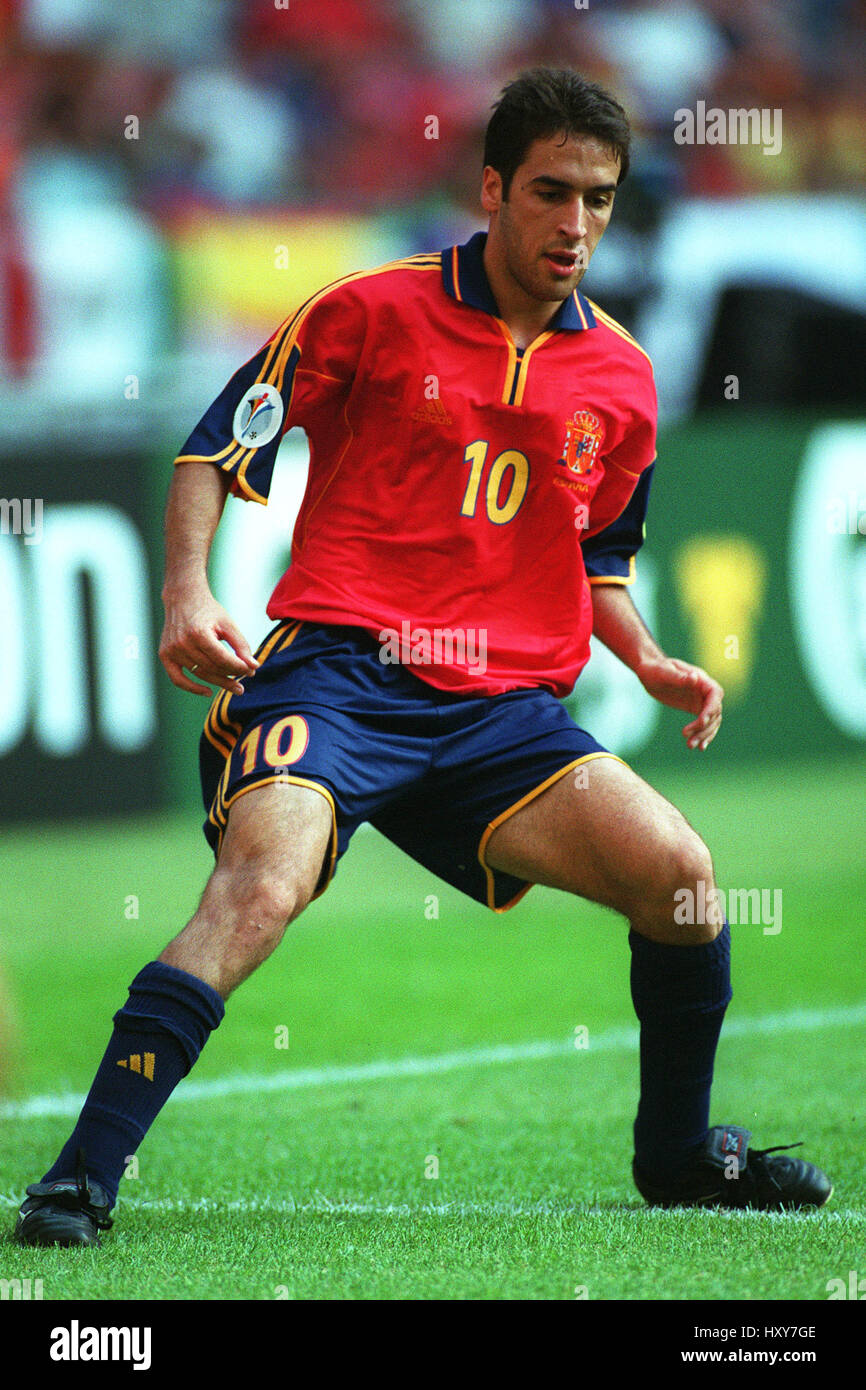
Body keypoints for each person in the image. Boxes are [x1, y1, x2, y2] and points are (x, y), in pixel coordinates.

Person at [15, 68, 830, 1248]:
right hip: (337, 675)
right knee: (261, 887)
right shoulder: (368, 311)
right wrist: (186, 591)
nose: (575, 226)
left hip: (500, 709)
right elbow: (210, 449)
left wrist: (644, 656)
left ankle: (675, 1160)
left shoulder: (621, 377)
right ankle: (78, 1178)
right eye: (550, 194)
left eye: (598, 200)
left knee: (682, 878)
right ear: (490, 188)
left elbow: (593, 555)